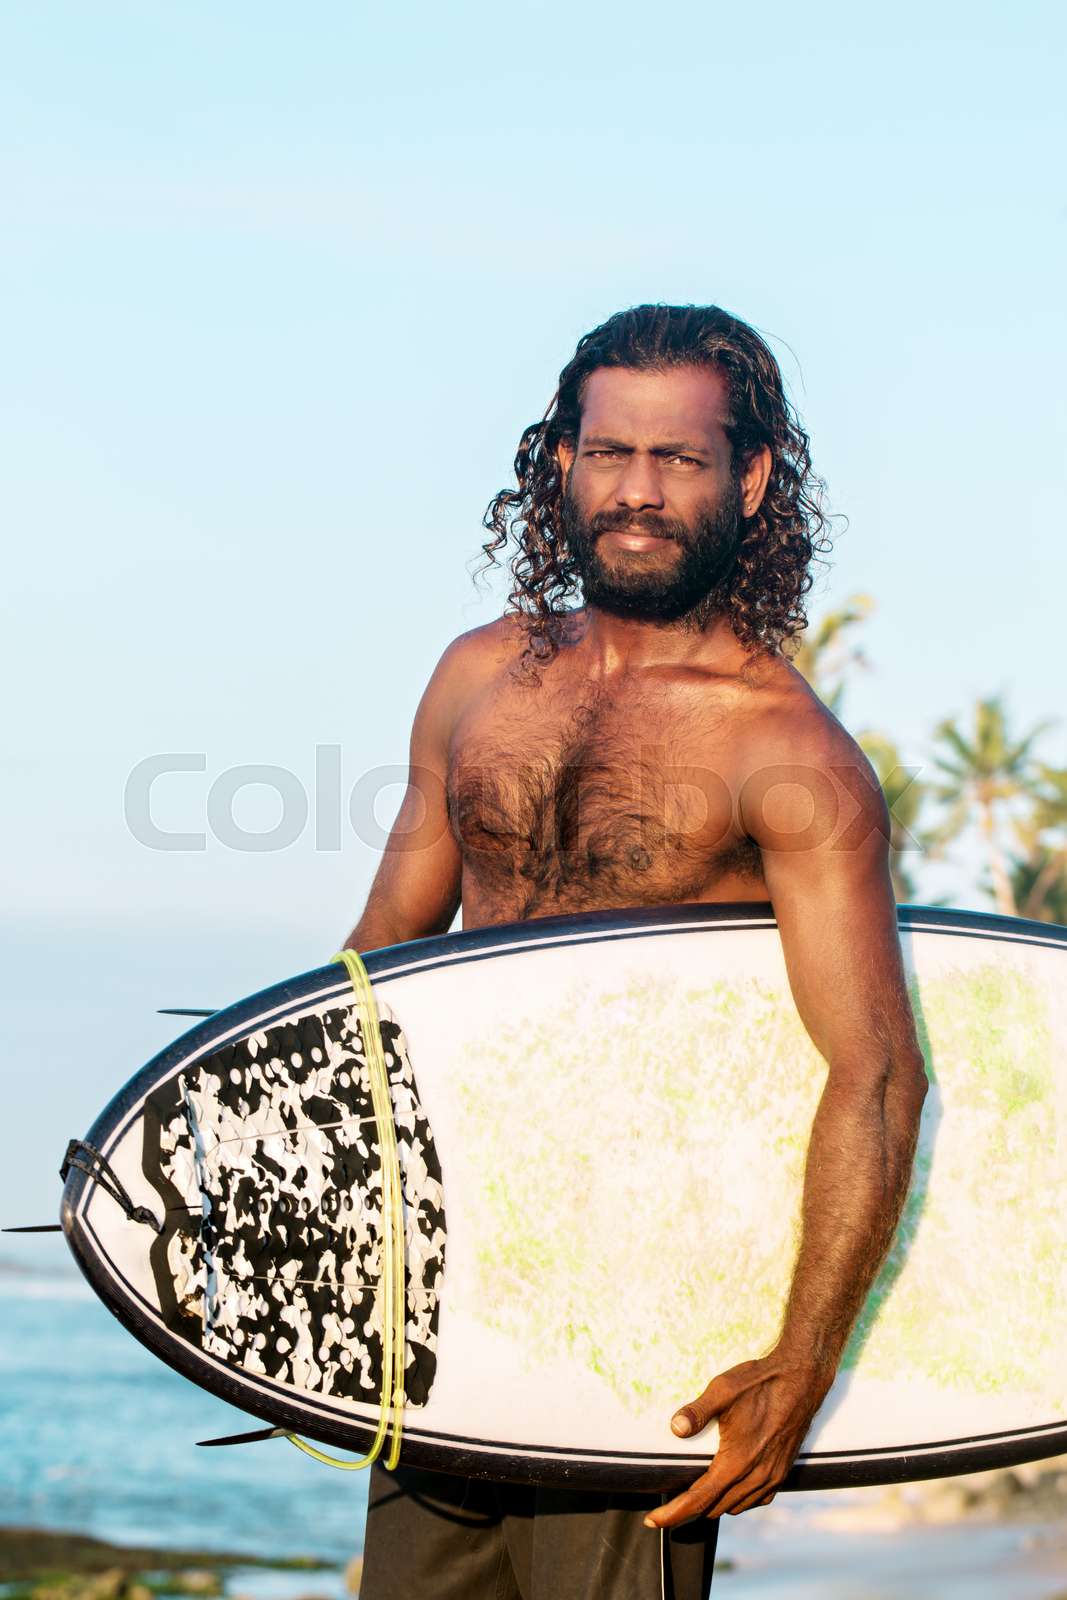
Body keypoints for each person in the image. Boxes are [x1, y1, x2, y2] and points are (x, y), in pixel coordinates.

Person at [346, 303, 928, 1599]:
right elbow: (381, 963)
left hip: (644, 1305)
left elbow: (878, 1073)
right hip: (448, 1298)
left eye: (679, 459)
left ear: (752, 480)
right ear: (563, 461)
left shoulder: (785, 749)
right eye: (611, 453)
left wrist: (803, 1358)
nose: (639, 492)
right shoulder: (477, 680)